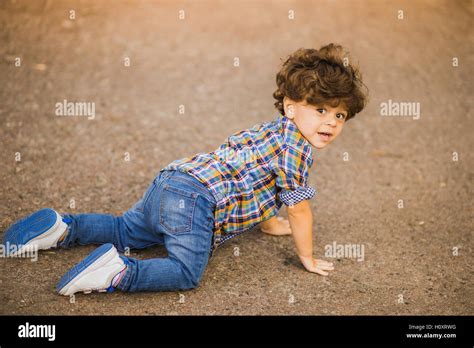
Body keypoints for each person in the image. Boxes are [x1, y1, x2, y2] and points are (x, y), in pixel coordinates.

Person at [2, 43, 368, 295]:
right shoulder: (297, 152)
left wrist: (269, 223)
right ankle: (119, 272)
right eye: (320, 110)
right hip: (195, 203)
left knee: (124, 228)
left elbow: (254, 179)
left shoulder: (270, 131)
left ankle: (62, 228)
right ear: (291, 107)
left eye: (339, 115)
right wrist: (306, 256)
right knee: (185, 272)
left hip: (173, 180)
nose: (331, 122)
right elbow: (298, 206)